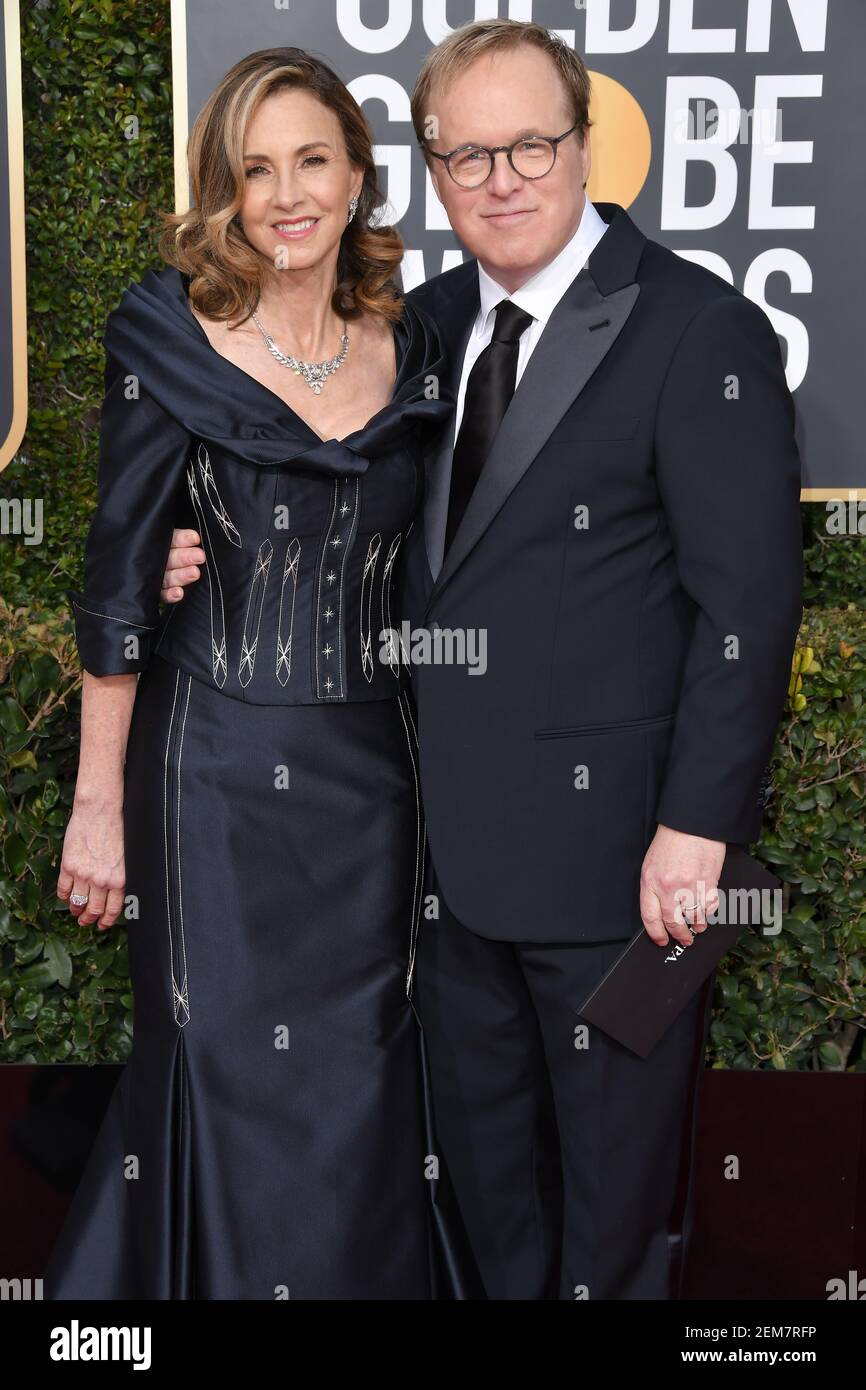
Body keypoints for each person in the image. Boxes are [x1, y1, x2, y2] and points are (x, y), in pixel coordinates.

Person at [162, 20, 804, 1300]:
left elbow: (748, 611)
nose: (499, 178)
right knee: (488, 1216)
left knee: (611, 1226)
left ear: (583, 145)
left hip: (619, 878)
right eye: (465, 155)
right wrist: (184, 555)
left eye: (527, 146)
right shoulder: (426, 325)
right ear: (432, 172)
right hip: (441, 880)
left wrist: (693, 832)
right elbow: (324, 495)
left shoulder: (697, 330)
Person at [45, 46, 477, 1301]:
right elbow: (118, 583)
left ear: (355, 176)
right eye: (252, 170)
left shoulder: (423, 345)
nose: (284, 195)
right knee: (213, 1056)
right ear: (221, 194)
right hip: (211, 781)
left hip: (374, 789)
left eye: (310, 161)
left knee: (359, 1071)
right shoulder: (164, 335)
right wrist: (97, 809)